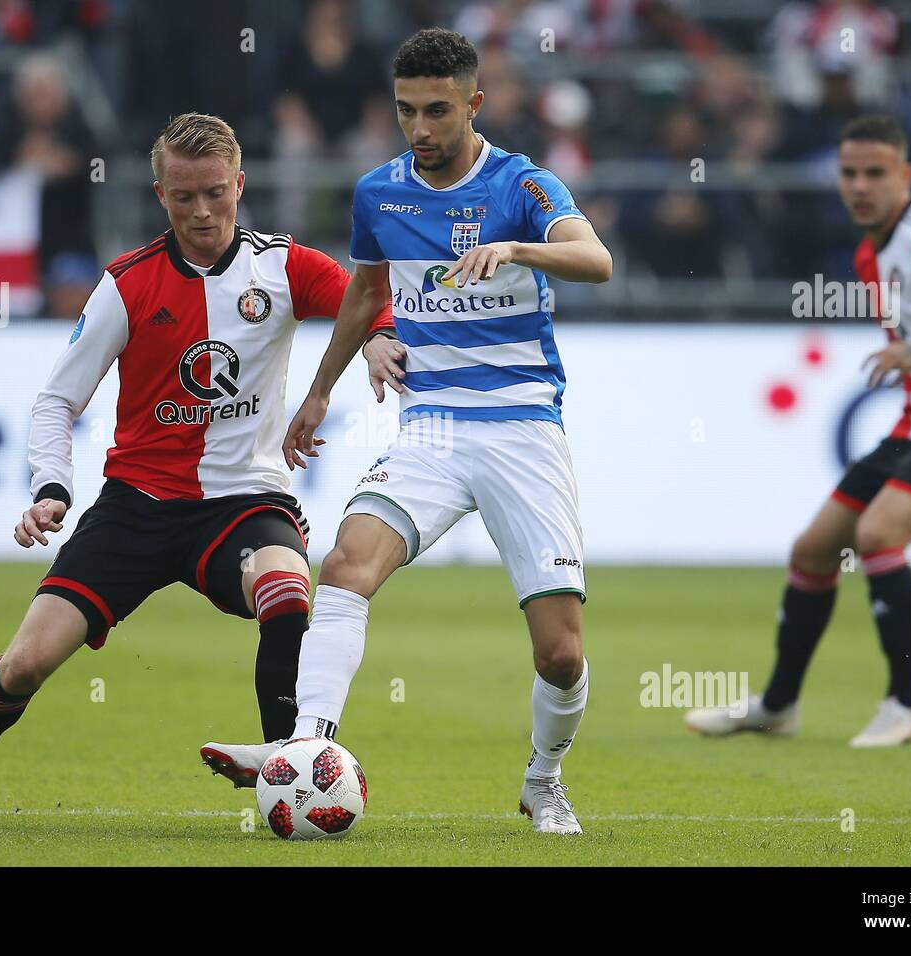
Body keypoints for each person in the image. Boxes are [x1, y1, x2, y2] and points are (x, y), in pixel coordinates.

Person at [0, 113, 395, 821]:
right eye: (184, 197)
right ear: (160, 195)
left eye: (215, 193)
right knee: (25, 663)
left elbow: (368, 301)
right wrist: (52, 488)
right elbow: (56, 400)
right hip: (136, 505)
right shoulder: (126, 285)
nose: (202, 211)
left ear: (239, 184)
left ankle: (286, 761)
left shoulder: (284, 266)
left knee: (286, 586)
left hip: (243, 500)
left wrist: (378, 345)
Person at [202, 29, 613, 834]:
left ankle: (544, 779)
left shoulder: (521, 185)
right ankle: (302, 746)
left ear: (473, 104)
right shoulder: (378, 194)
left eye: (436, 110)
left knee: (560, 654)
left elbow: (595, 260)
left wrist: (517, 248)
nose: (419, 128)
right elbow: (363, 294)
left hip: (523, 427)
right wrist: (319, 392)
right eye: (405, 111)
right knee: (347, 564)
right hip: (430, 427)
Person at [686, 114, 911, 747]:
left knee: (876, 534)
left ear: (905, 175)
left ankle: (905, 703)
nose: (860, 186)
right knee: (814, 550)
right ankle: (779, 706)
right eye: (849, 173)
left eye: (875, 173)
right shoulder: (871, 249)